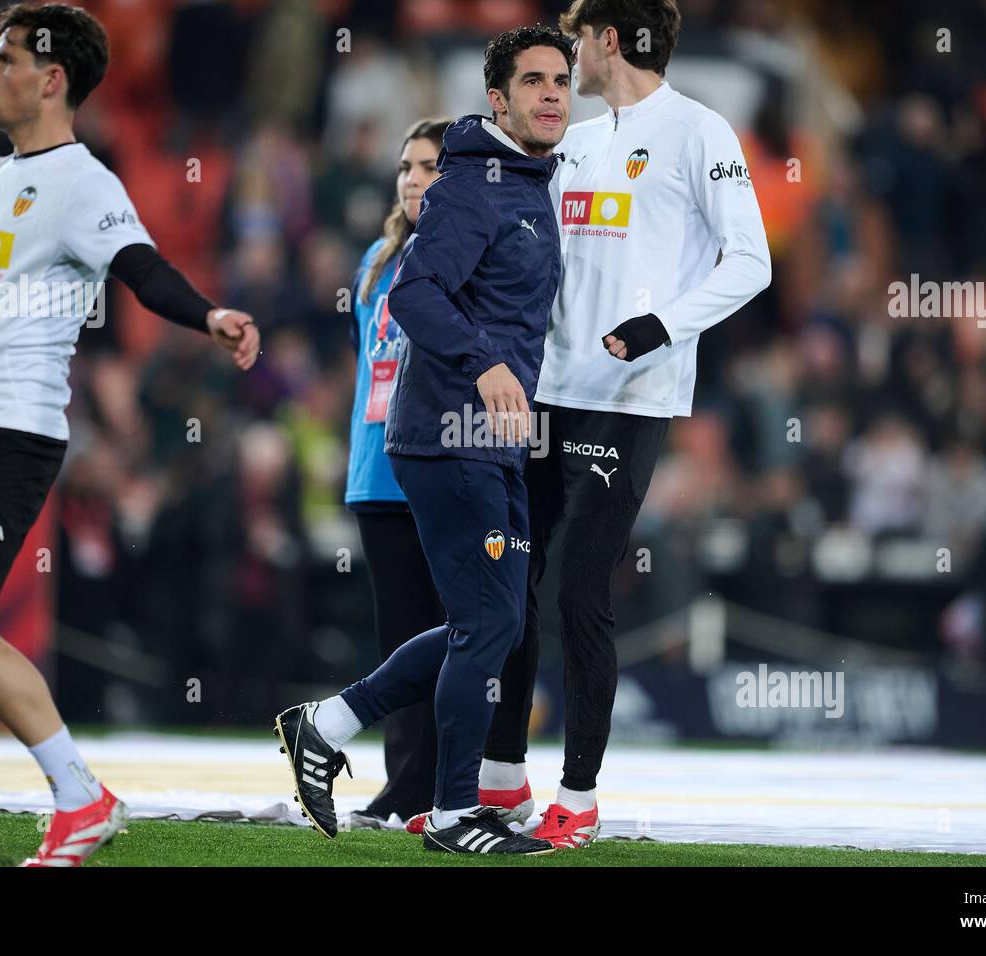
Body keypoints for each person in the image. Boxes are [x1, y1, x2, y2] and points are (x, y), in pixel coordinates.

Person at [0, 3, 259, 868]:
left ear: (52, 77)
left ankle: (83, 797)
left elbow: (143, 272)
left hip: (10, 434)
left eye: (4, 61)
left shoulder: (85, 184)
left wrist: (210, 312)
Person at [274, 25, 573, 855]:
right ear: (498, 98)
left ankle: (325, 724)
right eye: (534, 81)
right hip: (447, 432)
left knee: (496, 621)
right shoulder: (473, 184)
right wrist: (483, 366)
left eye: (562, 80)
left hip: (495, 437)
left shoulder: (527, 182)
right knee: (487, 620)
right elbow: (415, 294)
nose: (552, 93)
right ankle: (449, 814)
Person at [480, 0, 772, 848]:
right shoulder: (574, 137)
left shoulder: (699, 132)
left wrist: (662, 326)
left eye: (577, 39)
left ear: (611, 40)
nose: (569, 57)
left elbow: (751, 261)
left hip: (629, 397)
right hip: (545, 390)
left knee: (579, 590)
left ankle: (580, 794)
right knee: (514, 584)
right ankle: (502, 780)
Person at [343, 118, 451, 829]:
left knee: (445, 637)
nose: (412, 178)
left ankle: (435, 786)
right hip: (376, 472)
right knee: (398, 642)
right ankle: (403, 784)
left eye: (430, 166)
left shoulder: (467, 256)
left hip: (439, 469)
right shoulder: (377, 260)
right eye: (406, 166)